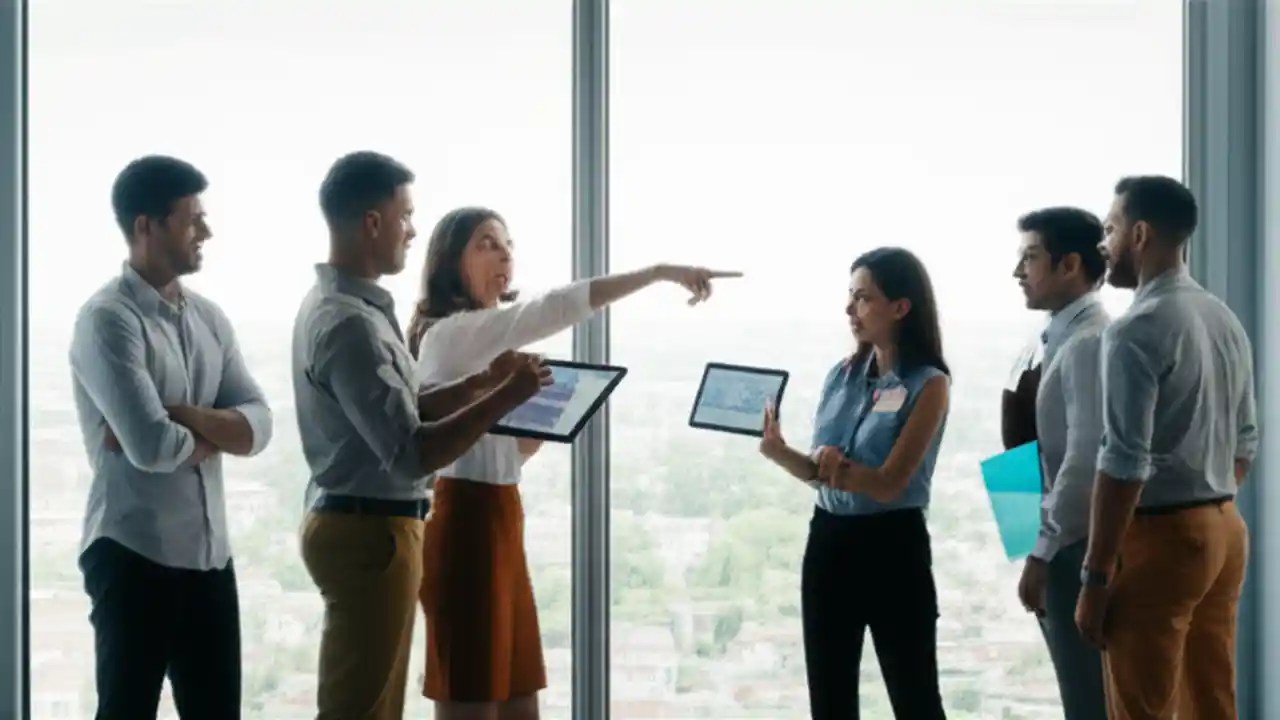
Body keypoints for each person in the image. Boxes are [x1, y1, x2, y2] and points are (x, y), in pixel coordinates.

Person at [408, 206, 740, 720]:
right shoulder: (456, 332)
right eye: (486, 243)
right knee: (472, 692)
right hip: (468, 523)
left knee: (518, 696)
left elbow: (502, 452)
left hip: (499, 513)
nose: (504, 253)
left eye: (507, 243)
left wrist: (537, 424)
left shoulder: (487, 339)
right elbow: (558, 305)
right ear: (451, 262)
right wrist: (658, 273)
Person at [292, 155, 551, 720]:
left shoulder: (362, 311)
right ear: (372, 221)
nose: (411, 228)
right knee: (361, 709)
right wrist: (502, 396)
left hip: (378, 526)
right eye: (405, 214)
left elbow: (407, 412)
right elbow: (411, 452)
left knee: (376, 703)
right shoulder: (349, 323)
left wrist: (485, 385)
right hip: (370, 530)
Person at [69, 155, 274, 719]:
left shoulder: (209, 318)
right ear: (146, 226)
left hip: (209, 558)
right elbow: (152, 447)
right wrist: (213, 431)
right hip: (133, 554)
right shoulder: (107, 320)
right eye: (192, 219)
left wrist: (184, 415)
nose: (205, 231)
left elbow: (260, 425)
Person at [1076, 176, 1258, 719]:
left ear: (1140, 234)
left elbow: (1123, 461)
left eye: (1109, 229)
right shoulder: (1222, 318)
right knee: (1211, 701)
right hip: (1223, 529)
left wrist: (1095, 576)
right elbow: (1246, 440)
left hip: (1162, 537)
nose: (1103, 244)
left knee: (1141, 708)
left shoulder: (1135, 329)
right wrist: (1205, 498)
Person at [758, 246, 949, 720]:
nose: (850, 310)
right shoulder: (841, 376)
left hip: (893, 547)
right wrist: (780, 452)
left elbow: (889, 484)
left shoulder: (930, 384)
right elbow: (818, 474)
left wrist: (836, 469)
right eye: (851, 297)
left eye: (863, 299)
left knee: (915, 697)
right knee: (830, 699)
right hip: (828, 541)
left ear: (901, 308)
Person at [1011, 207, 1109, 719]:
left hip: (1070, 543)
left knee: (1087, 694)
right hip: (1046, 526)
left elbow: (1083, 460)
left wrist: (1041, 551)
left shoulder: (1089, 342)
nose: (1017, 271)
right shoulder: (1053, 336)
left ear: (1069, 264)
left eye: (1029, 257)